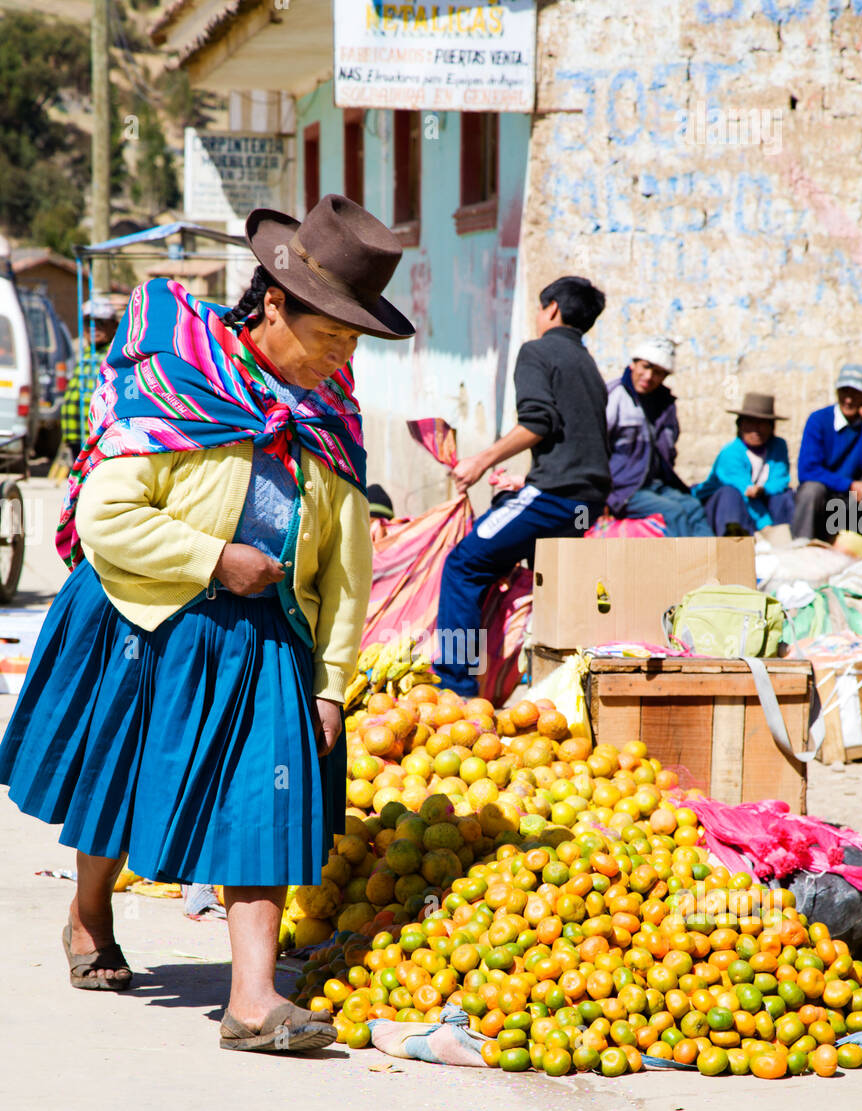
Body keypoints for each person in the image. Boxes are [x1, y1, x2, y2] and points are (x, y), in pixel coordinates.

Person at [0, 194, 414, 1056]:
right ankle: (87, 917)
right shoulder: (183, 382)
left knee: (269, 803)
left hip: (265, 638)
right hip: (144, 619)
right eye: (329, 335)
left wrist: (332, 686)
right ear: (272, 303)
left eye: (352, 341)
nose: (340, 357)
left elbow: (346, 573)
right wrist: (212, 558)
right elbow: (107, 518)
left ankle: (254, 1001)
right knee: (116, 790)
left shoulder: (327, 419)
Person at [432, 275, 610, 697]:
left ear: (551, 309)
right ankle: (540, 682)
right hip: (585, 503)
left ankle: (457, 687)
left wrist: (480, 461)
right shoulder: (588, 365)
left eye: (538, 307)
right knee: (537, 577)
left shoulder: (537, 351)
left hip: (553, 498)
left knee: (463, 566)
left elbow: (538, 422)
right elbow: (575, 441)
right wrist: (526, 482)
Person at [606, 337, 713, 537]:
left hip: (654, 485)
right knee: (674, 513)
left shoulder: (665, 405)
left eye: (658, 373)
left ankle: (713, 564)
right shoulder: (614, 397)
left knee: (693, 507)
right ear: (633, 364)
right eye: (645, 367)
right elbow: (594, 449)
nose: (649, 376)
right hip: (623, 489)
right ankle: (686, 566)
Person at [693, 391, 795, 535]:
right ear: (740, 425)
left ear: (772, 427)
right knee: (730, 494)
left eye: (762, 424)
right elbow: (744, 492)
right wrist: (766, 527)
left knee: (785, 496)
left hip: (761, 507)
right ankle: (736, 542)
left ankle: (788, 538)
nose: (756, 430)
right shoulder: (730, 453)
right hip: (729, 511)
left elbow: (780, 480)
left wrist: (763, 490)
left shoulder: (778, 446)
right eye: (750, 423)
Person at [792, 364, 862, 541]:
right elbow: (807, 470)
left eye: (855, 393)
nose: (848, 400)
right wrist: (848, 484)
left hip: (851, 505)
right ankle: (802, 545)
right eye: (844, 392)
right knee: (811, 489)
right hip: (825, 498)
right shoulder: (819, 420)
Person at [60, 298, 120, 458]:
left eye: (101, 322)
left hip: (96, 434)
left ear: (114, 326)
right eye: (88, 323)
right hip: (76, 433)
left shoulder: (113, 356)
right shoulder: (86, 353)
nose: (94, 328)